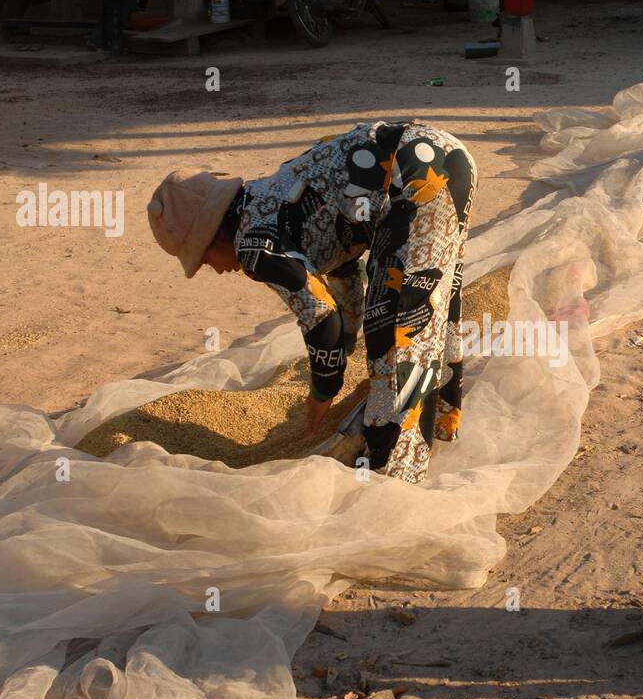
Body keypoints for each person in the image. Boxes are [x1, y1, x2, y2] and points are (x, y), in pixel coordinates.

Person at [146, 120, 478, 483]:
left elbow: (322, 321)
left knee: (398, 333)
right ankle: (443, 427)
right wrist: (345, 347)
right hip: (447, 156)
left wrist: (322, 394)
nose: (212, 268)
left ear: (211, 236)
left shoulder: (255, 243)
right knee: (436, 301)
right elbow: (345, 283)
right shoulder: (268, 198)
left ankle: (395, 482)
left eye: (202, 258)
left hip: (414, 174)